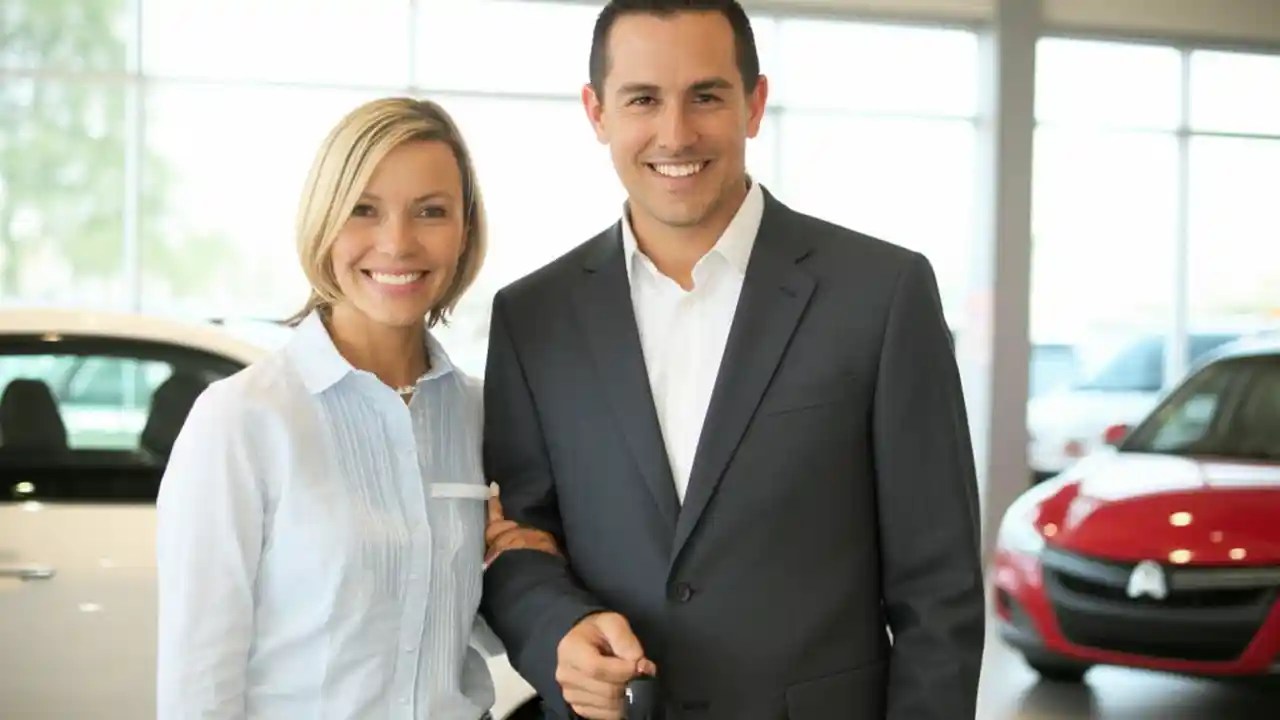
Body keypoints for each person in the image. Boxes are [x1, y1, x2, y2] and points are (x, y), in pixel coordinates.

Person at [478, 2, 987, 718]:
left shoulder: (881, 295)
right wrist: (554, 629)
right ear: (597, 113)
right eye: (643, 99)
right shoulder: (533, 315)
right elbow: (519, 540)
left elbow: (940, 591)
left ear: (754, 104)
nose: (676, 133)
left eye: (706, 96)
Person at [156, 96, 506, 719]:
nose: (397, 243)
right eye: (363, 210)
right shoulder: (242, 420)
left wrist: (518, 558)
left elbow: (479, 636)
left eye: (431, 211)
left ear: (464, 232)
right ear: (323, 221)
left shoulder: (486, 417)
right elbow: (199, 681)